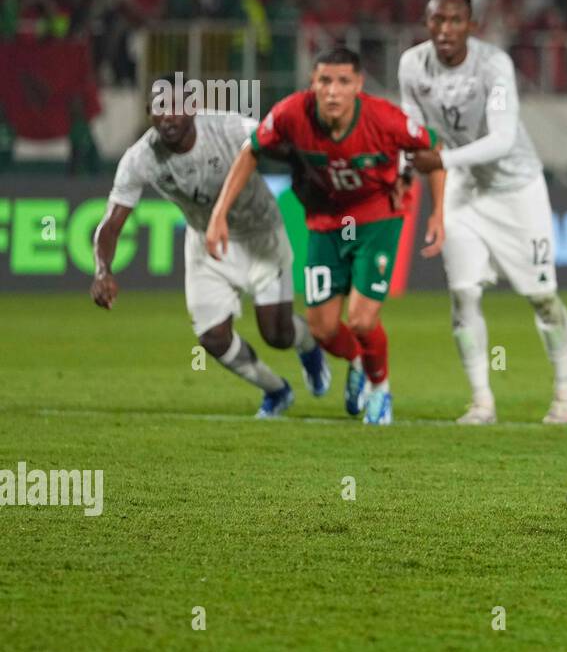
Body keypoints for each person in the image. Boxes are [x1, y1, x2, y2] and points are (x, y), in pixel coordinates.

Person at [205, 47, 443, 426]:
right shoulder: (290, 113)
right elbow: (251, 151)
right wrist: (219, 213)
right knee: (322, 328)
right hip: (325, 220)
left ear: (358, 85)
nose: (333, 91)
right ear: (312, 83)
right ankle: (358, 363)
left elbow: (434, 148)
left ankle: (381, 391)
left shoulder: (384, 119)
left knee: (363, 320)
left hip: (376, 216)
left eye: (343, 82)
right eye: (325, 81)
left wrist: (436, 211)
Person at [399, 0, 567, 426]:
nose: (445, 29)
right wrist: (408, 172)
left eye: (455, 20)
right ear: (427, 24)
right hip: (465, 188)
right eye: (437, 20)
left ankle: (566, 393)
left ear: (471, 26)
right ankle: (481, 401)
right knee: (463, 293)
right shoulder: (411, 66)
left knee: (542, 297)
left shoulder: (494, 65)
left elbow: (500, 140)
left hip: (517, 187)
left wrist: (440, 159)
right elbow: (413, 134)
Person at [91, 98, 329, 418]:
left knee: (277, 334)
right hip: (206, 244)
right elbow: (111, 223)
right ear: (148, 112)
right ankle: (276, 390)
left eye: (175, 106)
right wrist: (102, 270)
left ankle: (310, 350)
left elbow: (277, 140)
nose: (167, 117)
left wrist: (309, 168)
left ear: (192, 108)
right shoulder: (140, 157)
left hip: (260, 234)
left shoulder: (228, 127)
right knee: (213, 339)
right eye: (158, 108)